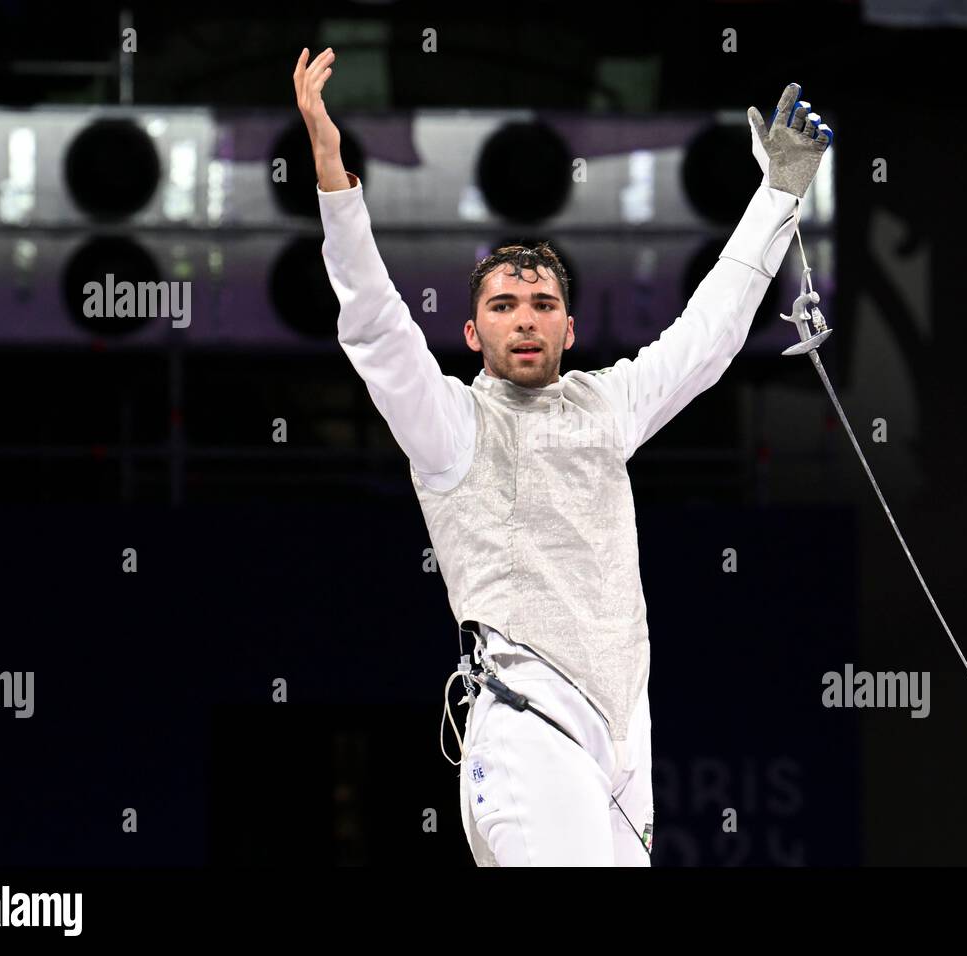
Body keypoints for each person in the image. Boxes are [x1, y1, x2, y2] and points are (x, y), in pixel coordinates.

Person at [293, 47, 831, 866]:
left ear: (569, 330)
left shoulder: (606, 406)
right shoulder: (451, 426)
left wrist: (779, 194)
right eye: (504, 306)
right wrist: (332, 170)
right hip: (526, 726)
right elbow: (375, 326)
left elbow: (708, 338)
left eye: (543, 304)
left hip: (624, 742)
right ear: (473, 334)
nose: (526, 318)